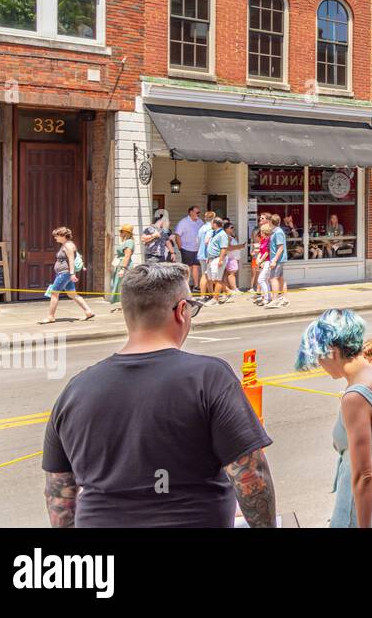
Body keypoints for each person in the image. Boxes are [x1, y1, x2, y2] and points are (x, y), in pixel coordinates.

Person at [42, 263, 275, 527]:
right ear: (182, 311)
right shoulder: (209, 377)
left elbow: (58, 495)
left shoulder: (74, 391)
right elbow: (251, 476)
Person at [296, 309, 372, 528]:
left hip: (364, 507)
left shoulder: (355, 397)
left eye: (319, 356)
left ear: (333, 352)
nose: (319, 364)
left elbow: (364, 475)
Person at [38, 227, 94, 324]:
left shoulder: (68, 245)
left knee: (54, 293)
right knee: (71, 294)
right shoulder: (66, 245)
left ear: (63, 235)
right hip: (65, 273)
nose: (55, 238)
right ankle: (88, 311)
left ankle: (51, 316)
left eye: (57, 235)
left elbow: (71, 259)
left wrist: (72, 274)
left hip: (64, 274)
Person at [174, 205, 204, 289]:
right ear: (191, 212)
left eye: (199, 212)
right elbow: (177, 235)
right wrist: (180, 248)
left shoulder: (200, 222)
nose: (198, 214)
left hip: (197, 249)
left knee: (196, 267)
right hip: (186, 249)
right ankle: (185, 287)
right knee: (187, 268)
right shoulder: (183, 222)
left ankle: (196, 286)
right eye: (197, 212)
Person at [107, 224, 135, 313]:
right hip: (120, 264)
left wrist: (123, 269)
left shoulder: (129, 242)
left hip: (124, 266)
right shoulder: (125, 242)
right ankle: (123, 306)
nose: (120, 233)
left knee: (123, 286)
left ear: (126, 233)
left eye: (122, 231)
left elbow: (127, 256)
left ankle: (126, 308)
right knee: (119, 286)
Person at [206, 217, 231, 304]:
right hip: (211, 258)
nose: (211, 224)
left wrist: (221, 260)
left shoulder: (222, 234)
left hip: (217, 258)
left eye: (212, 223)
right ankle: (229, 292)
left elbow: (224, 248)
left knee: (217, 279)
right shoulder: (214, 233)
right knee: (213, 279)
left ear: (215, 224)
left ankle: (215, 299)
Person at [266, 214, 289, 308]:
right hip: (279, 259)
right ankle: (284, 299)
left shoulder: (278, 232)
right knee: (280, 278)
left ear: (271, 222)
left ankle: (275, 300)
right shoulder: (276, 232)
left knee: (273, 278)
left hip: (278, 259)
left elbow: (280, 248)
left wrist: (274, 260)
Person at [196, 211, 218, 299]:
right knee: (206, 275)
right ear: (213, 218)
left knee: (207, 275)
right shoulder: (210, 229)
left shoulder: (202, 228)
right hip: (207, 255)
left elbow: (197, 241)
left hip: (201, 254)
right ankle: (203, 295)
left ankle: (210, 293)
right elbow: (208, 242)